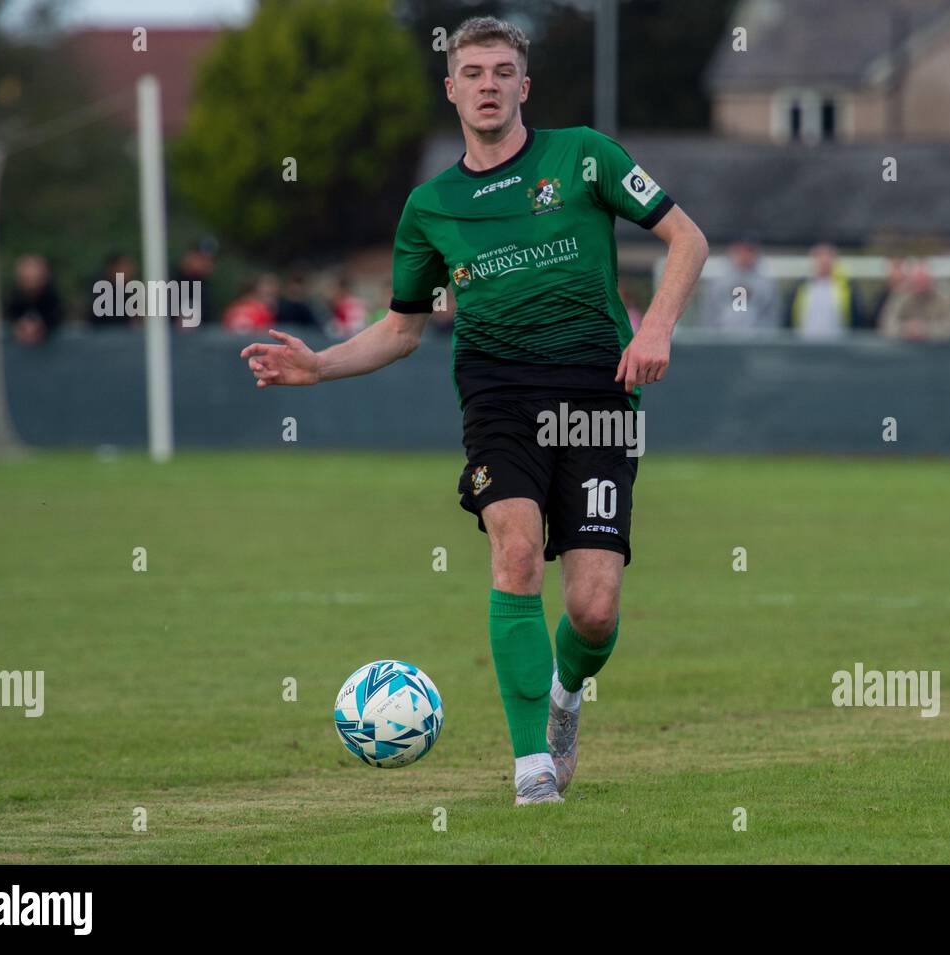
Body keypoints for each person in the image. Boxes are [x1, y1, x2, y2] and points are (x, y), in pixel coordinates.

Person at [239, 17, 708, 806]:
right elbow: (402, 328)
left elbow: (686, 237)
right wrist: (318, 365)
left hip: (599, 390)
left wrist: (656, 323)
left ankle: (564, 696)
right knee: (517, 552)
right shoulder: (430, 206)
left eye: (502, 71)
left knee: (593, 610)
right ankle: (532, 771)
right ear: (450, 87)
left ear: (524, 86)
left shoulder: (584, 155)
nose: (488, 84)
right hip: (500, 394)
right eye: (473, 72)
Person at [700, 237, 779, 331]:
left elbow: (771, 318)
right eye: (739, 251)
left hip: (756, 340)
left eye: (749, 251)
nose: (744, 256)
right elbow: (709, 315)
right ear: (731, 252)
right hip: (721, 339)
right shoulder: (716, 282)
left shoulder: (767, 284)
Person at [878, 259, 950, 341]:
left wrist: (926, 330)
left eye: (923, 281)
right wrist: (906, 329)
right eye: (917, 282)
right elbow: (887, 323)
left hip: (937, 349)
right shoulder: (901, 294)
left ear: (930, 280)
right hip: (906, 348)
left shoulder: (944, 295)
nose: (920, 286)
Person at [790, 243, 858, 340]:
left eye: (828, 257)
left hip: (837, 345)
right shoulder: (801, 287)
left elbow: (854, 317)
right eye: (819, 257)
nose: (824, 262)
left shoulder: (846, 287)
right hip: (806, 345)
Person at [5, 254, 63, 345]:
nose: (32, 285)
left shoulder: (52, 299)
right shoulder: (13, 299)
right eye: (27, 279)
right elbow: (9, 317)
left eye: (35, 279)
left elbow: (56, 316)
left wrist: (42, 327)